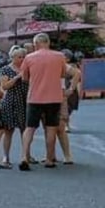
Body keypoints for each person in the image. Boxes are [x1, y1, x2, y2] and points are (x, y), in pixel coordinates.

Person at [18, 33, 74, 171]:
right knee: (51, 128)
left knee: (29, 128)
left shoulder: (29, 58)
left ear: (36, 44)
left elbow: (24, 78)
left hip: (35, 97)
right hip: (54, 97)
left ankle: (25, 157)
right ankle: (49, 159)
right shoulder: (59, 56)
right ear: (48, 42)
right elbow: (62, 74)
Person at [0, 47, 27, 168]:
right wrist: (17, 77)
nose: (22, 59)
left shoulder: (26, 68)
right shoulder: (5, 70)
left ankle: (26, 156)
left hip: (23, 102)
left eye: (23, 57)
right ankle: (6, 156)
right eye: (19, 57)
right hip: (10, 101)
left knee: (25, 131)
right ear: (12, 57)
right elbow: (4, 86)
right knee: (8, 130)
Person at [56, 51, 81, 165]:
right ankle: (51, 155)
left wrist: (71, 89)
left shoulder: (61, 65)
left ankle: (66, 155)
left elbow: (77, 73)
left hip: (60, 96)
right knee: (50, 128)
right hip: (50, 97)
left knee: (59, 127)